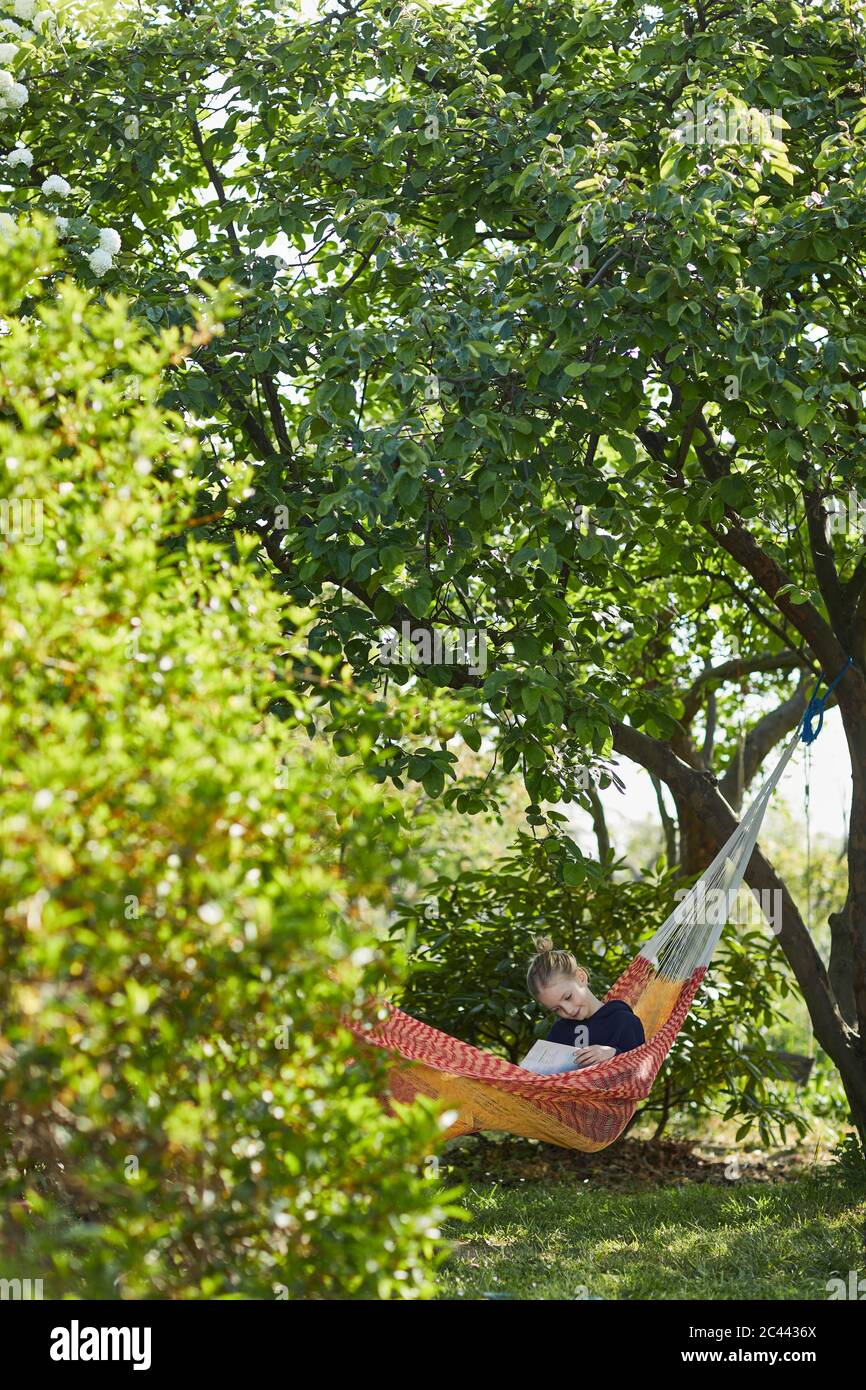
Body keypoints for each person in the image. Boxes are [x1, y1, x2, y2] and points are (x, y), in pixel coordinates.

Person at [526, 934, 645, 1068]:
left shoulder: (624, 1021)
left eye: (568, 997)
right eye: (557, 1009)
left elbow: (640, 1075)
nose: (568, 1010)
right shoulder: (558, 1033)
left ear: (581, 977)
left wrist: (613, 1054)